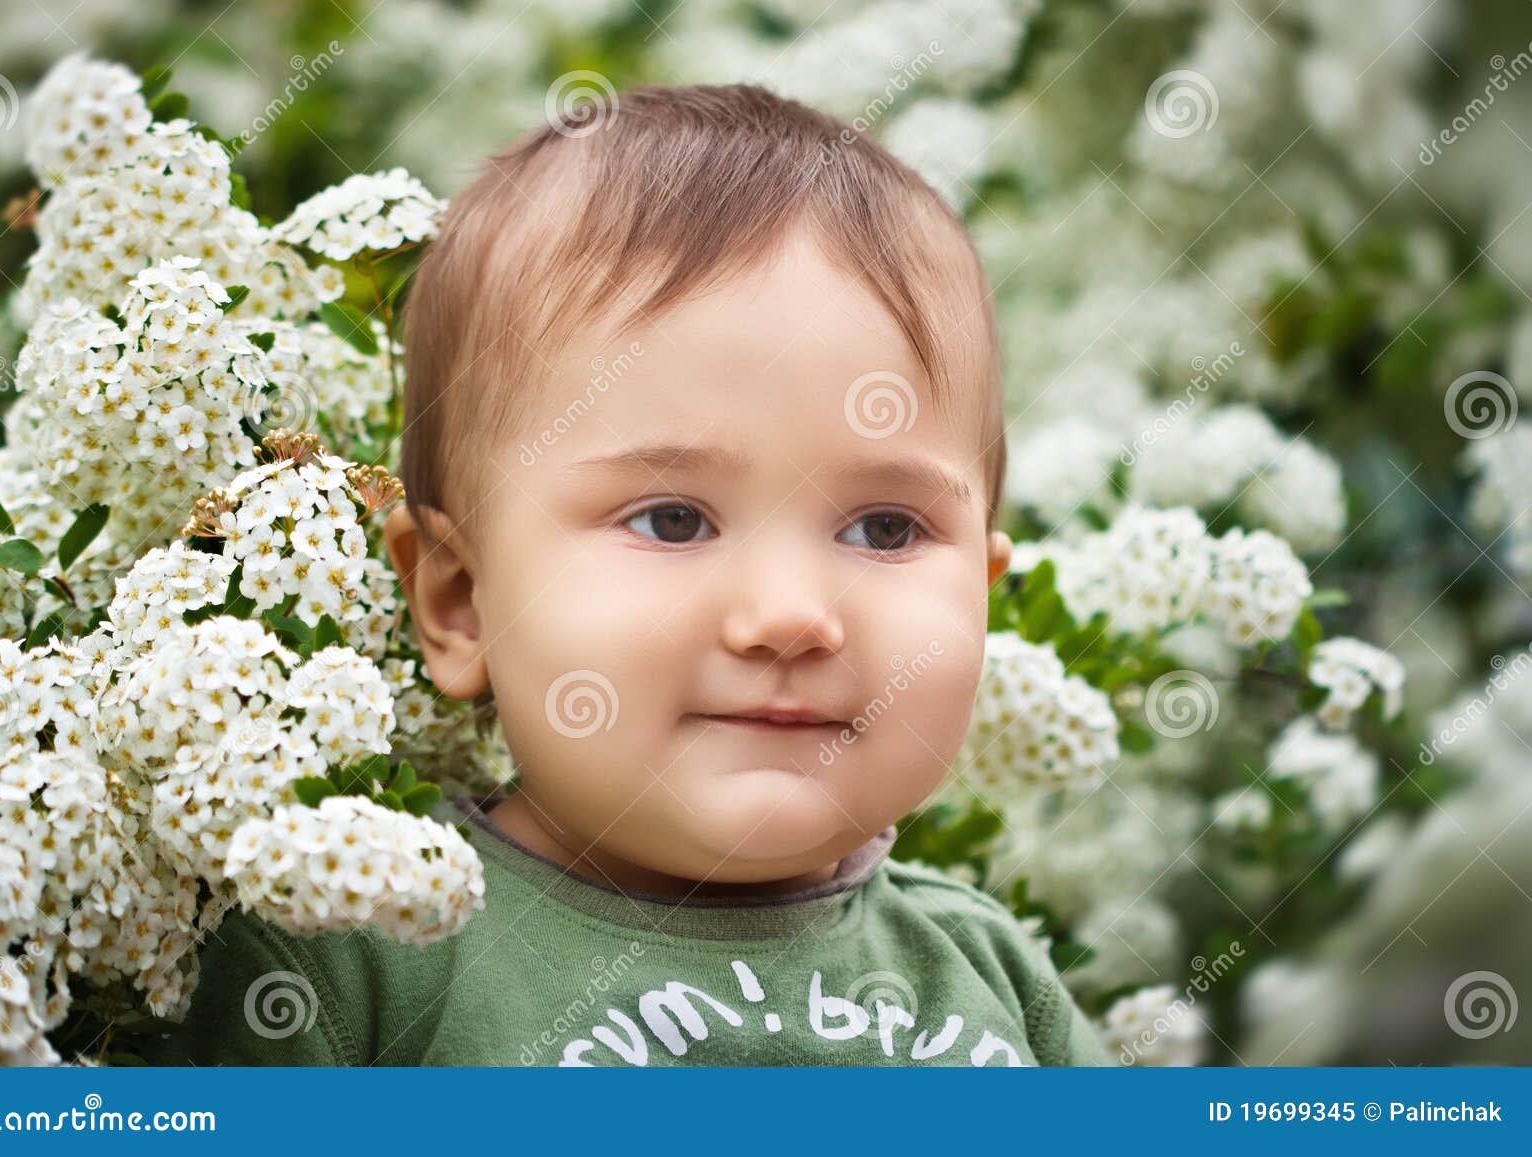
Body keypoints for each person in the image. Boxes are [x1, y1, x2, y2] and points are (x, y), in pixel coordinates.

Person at [142, 82, 1114, 1067]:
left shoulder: (993, 972)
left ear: (983, 593)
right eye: (672, 519)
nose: (790, 615)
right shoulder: (361, 953)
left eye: (885, 528)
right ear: (461, 601)